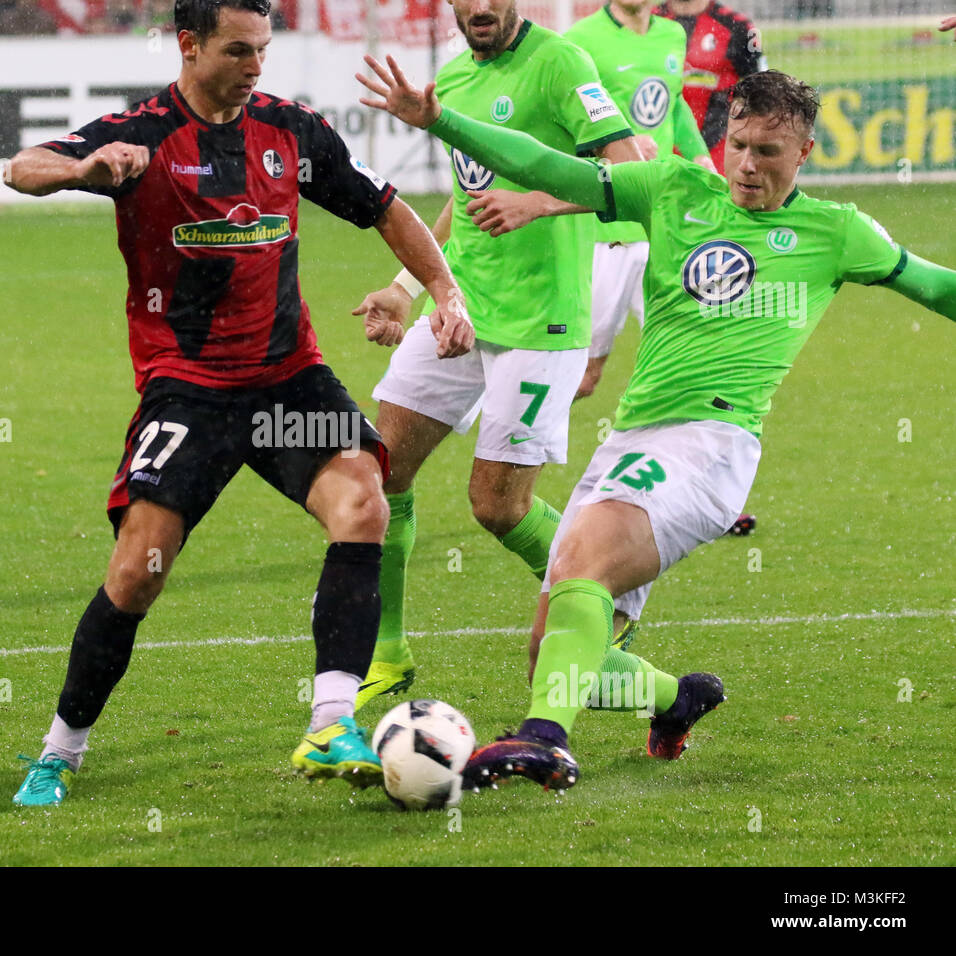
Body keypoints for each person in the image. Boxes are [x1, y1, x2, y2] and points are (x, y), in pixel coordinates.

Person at [358, 56, 956, 790]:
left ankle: (546, 742)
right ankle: (679, 698)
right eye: (737, 144)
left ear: (803, 153)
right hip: (635, 437)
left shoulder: (837, 232)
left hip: (711, 443)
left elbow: (936, 285)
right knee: (562, 649)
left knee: (581, 568)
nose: (745, 164)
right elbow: (551, 166)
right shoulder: (674, 186)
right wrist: (438, 119)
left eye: (767, 152)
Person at [3, 0, 473, 807]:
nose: (256, 67)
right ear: (188, 46)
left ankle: (331, 722)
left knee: (363, 504)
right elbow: (21, 166)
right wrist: (83, 172)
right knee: (138, 570)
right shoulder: (144, 135)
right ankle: (60, 750)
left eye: (263, 50)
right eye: (236, 51)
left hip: (288, 378)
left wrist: (442, 290)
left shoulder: (290, 133)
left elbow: (385, 208)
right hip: (187, 389)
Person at [349, 0, 642, 712]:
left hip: (543, 322)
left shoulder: (561, 63)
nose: (480, 7)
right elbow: (462, 199)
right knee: (378, 471)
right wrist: (406, 287)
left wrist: (542, 201)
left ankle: (610, 600)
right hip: (463, 310)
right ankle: (385, 654)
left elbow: (635, 170)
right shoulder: (448, 81)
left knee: (497, 507)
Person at [567, 0, 713, 405]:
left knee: (686, 360)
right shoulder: (580, 41)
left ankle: (675, 452)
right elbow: (564, 122)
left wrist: (697, 151)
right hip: (607, 229)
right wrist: (615, 147)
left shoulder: (672, 34)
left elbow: (675, 101)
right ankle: (519, 438)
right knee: (583, 378)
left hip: (662, 219)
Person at [654, 1, 766, 175]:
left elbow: (762, 93)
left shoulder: (738, 27)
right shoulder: (647, 22)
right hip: (657, 154)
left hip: (717, 157)